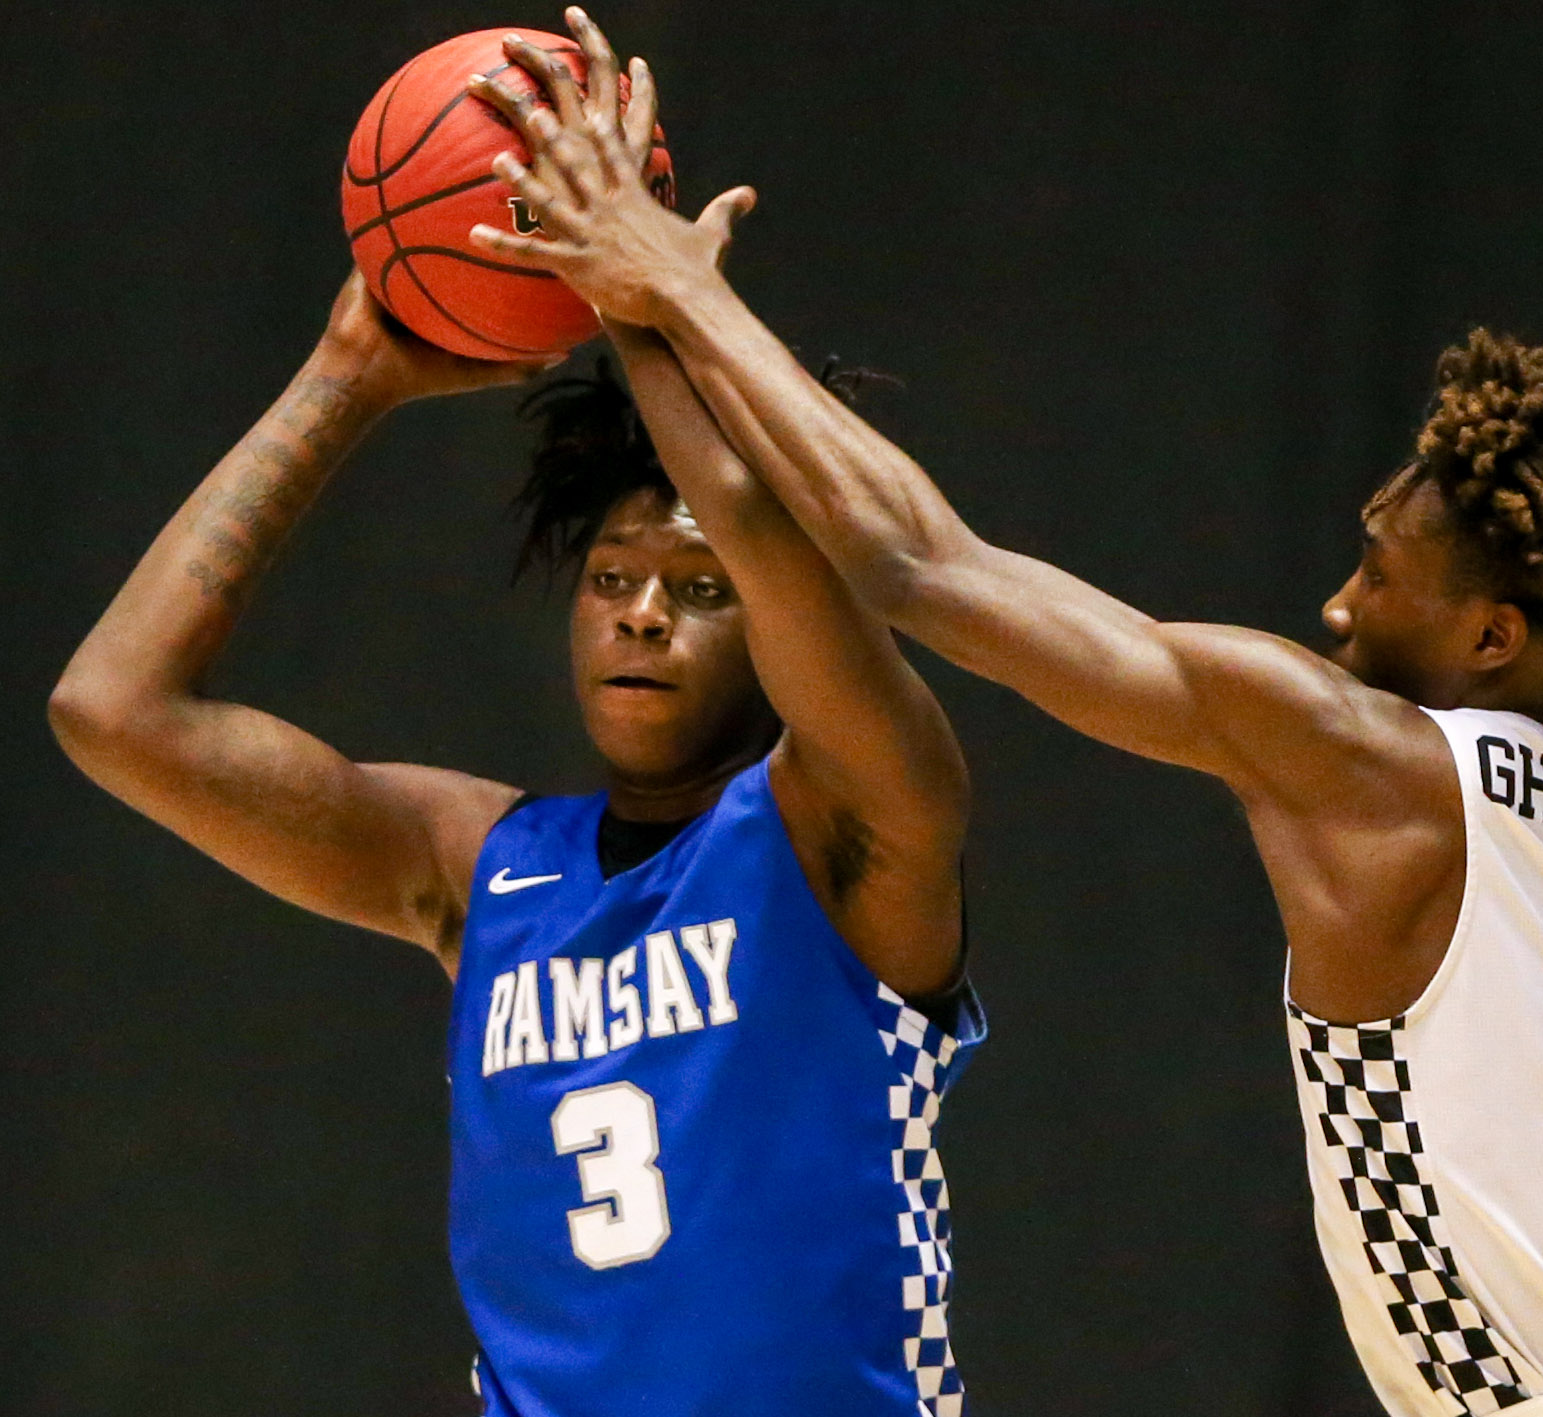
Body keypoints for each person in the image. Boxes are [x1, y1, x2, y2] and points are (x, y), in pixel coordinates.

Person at [471, 11, 1543, 1414]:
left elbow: (912, 560)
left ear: (1490, 630)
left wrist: (668, 289)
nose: (1337, 608)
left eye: (1377, 573)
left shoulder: (1378, 768)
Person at [47, 29, 985, 1416]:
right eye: (612, 580)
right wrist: (345, 376)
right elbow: (112, 709)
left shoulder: (856, 826)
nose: (643, 616)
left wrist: (637, 299)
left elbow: (807, 563)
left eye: (699, 588)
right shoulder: (487, 866)